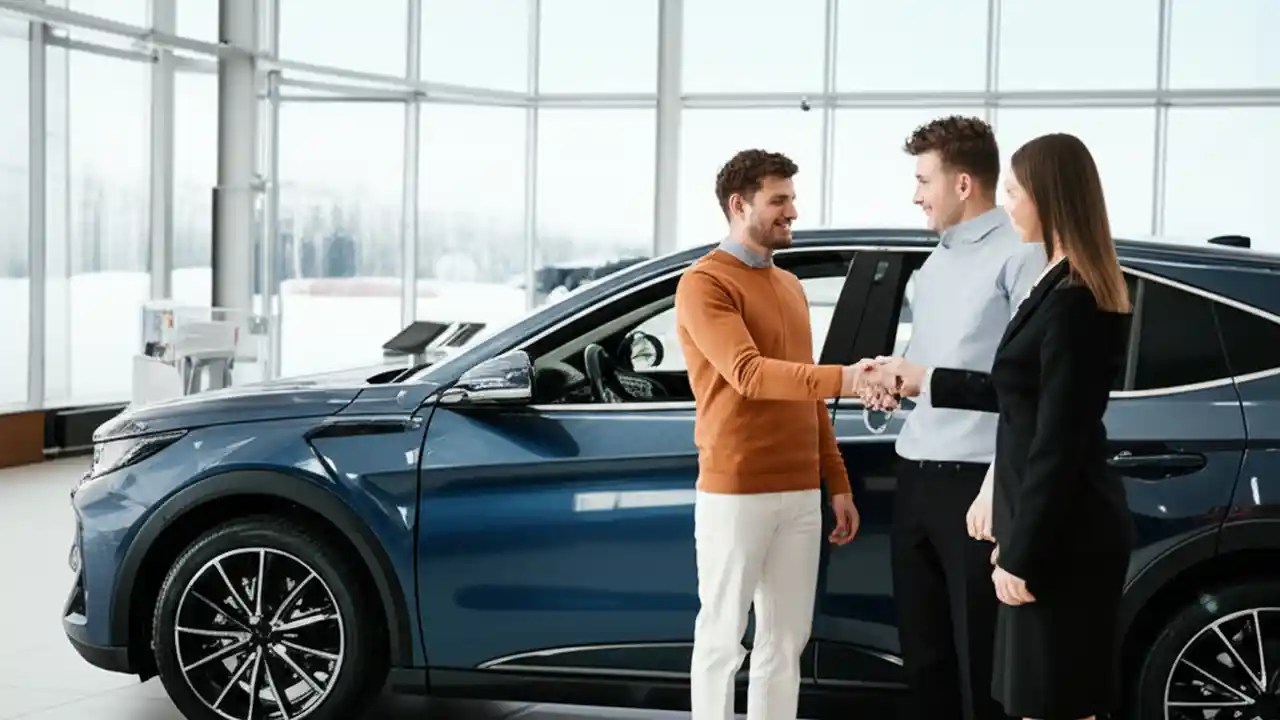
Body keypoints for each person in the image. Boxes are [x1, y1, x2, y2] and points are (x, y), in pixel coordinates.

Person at [867, 132, 1136, 720]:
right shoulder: (1056, 286)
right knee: (1042, 697)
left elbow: (1056, 440)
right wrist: (923, 380)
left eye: (1015, 192)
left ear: (1050, 197)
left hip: (1059, 531)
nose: (1007, 203)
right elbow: (1019, 393)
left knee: (1047, 698)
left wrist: (1020, 551)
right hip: (1047, 522)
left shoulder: (1073, 298)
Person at [674, 149, 877, 720]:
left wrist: (835, 481)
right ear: (740, 205)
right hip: (736, 490)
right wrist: (851, 378)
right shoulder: (704, 283)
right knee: (721, 640)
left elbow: (805, 394)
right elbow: (749, 375)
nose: (793, 210)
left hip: (799, 494)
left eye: (792, 197)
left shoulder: (788, 286)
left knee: (785, 644)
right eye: (779, 199)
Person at [864, 116, 1045, 720]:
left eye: (924, 180)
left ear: (963, 184)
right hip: (915, 475)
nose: (916, 195)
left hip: (977, 485)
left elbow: (1032, 386)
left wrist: (998, 483)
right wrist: (901, 380)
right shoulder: (936, 261)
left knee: (978, 664)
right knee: (925, 659)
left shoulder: (1022, 257)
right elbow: (940, 364)